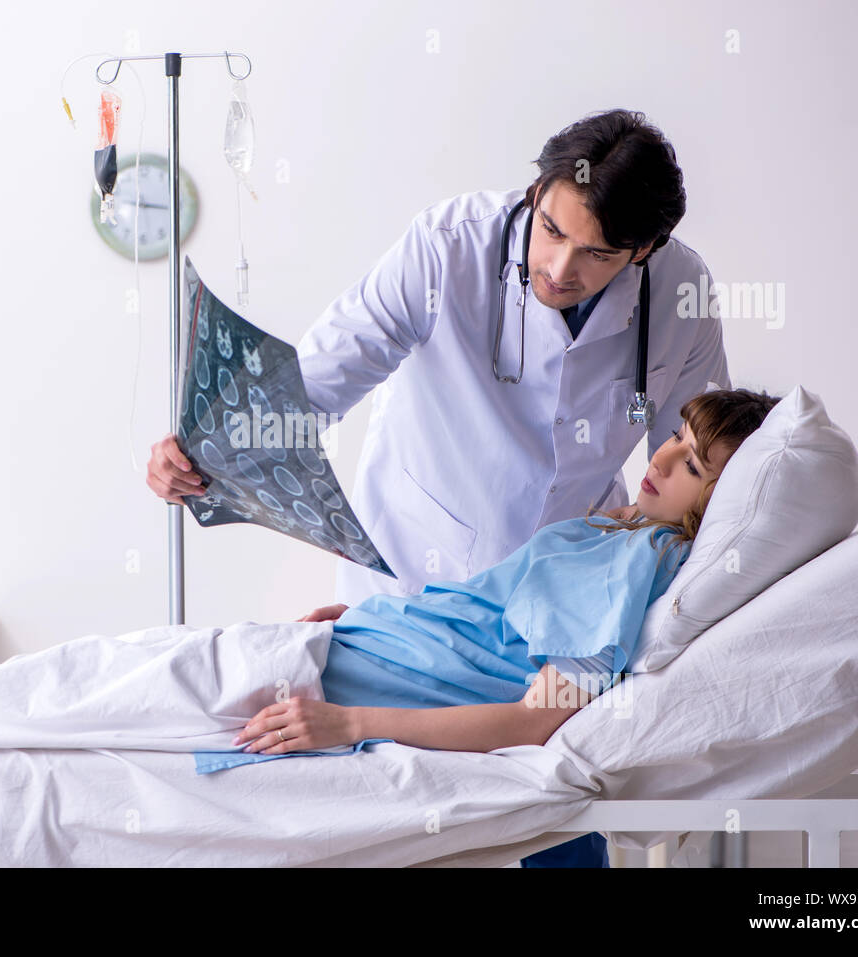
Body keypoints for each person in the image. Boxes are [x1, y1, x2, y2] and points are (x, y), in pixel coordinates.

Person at [148, 110, 732, 867]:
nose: (560, 268)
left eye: (598, 254)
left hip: (556, 612)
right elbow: (314, 386)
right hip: (411, 588)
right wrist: (201, 453)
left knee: (545, 826)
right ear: (534, 192)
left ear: (644, 251)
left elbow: (703, 471)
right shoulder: (449, 247)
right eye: (550, 230)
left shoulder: (680, 295)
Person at [222, 389, 780, 866]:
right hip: (350, 645)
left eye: (693, 465)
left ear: (718, 503)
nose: (660, 459)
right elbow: (490, 618)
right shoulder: (611, 534)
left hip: (340, 684)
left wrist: (347, 724)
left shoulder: (636, 563)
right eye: (677, 435)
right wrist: (368, 616)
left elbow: (535, 721)